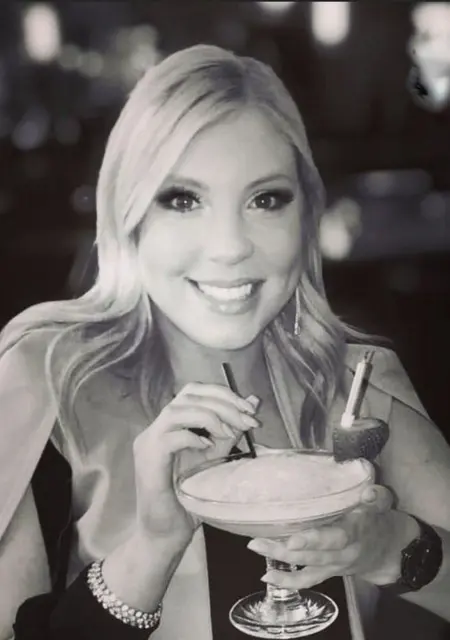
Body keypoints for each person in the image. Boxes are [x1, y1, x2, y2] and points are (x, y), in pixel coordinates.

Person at [0, 43, 449, 640]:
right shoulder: (47, 378)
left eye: (265, 200)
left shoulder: (359, 385)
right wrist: (153, 545)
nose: (231, 246)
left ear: (306, 217)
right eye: (182, 200)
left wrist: (392, 548)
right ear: (128, 215)